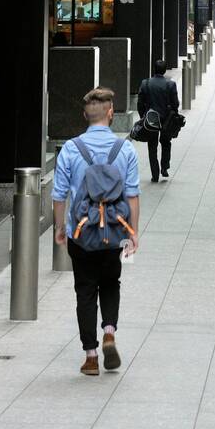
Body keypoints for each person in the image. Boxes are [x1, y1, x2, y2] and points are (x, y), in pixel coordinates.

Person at [53, 87, 140, 376]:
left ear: (85, 115)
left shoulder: (71, 148)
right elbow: (132, 194)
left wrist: (60, 228)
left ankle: (90, 356)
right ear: (111, 113)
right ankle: (110, 330)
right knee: (111, 282)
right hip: (114, 230)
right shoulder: (124, 149)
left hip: (82, 232)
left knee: (85, 290)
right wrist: (134, 233)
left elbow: (59, 193)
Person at [137, 60, 180, 183]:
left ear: (154, 69)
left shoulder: (146, 83)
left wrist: (143, 117)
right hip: (166, 119)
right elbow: (175, 103)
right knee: (166, 142)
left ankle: (154, 174)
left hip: (151, 119)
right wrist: (174, 115)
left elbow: (140, 103)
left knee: (152, 146)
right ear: (165, 70)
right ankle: (165, 167)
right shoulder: (170, 84)